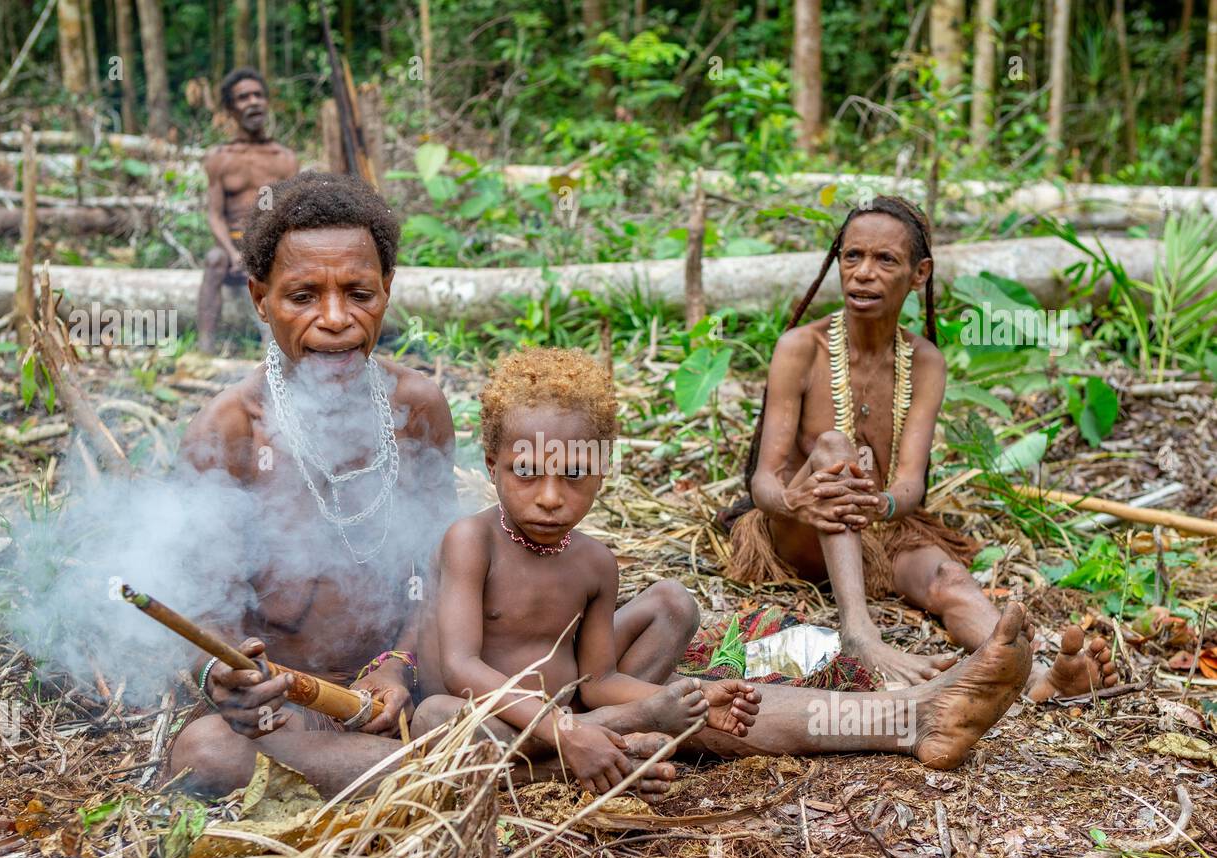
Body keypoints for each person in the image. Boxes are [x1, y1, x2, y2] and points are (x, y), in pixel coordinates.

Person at [723, 195, 1116, 701]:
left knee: (950, 578)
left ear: (918, 273)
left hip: (880, 533)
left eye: (885, 260)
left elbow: (910, 481)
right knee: (832, 445)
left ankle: (1039, 676)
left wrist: (882, 503)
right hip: (797, 526)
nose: (863, 273)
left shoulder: (924, 361)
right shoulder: (801, 347)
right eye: (852, 256)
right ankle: (859, 632)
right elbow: (764, 479)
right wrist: (796, 500)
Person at [169, 172, 456, 799]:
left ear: (387, 291)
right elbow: (200, 611)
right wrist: (224, 675)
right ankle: (448, 775)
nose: (335, 319)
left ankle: (393, 767)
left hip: (398, 696)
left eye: (359, 293)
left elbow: (440, 571)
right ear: (259, 298)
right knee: (206, 756)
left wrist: (398, 666)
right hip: (282, 711)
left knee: (446, 717)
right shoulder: (228, 430)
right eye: (303, 296)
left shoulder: (418, 409)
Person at [411, 349, 761, 802]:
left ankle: (595, 747)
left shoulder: (595, 563)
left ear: (601, 472)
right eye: (526, 472)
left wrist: (696, 699)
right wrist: (566, 730)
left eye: (574, 473)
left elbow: (597, 682)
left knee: (673, 602)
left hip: (570, 711)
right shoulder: (470, 541)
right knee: (434, 717)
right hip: (487, 718)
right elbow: (460, 668)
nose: (551, 497)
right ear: (492, 463)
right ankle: (595, 752)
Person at [196, 67, 299, 353]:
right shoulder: (220, 159)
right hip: (232, 247)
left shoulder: (284, 159)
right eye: (243, 98)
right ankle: (205, 350)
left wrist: (264, 251)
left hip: (271, 247)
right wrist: (233, 253)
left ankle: (277, 349)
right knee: (214, 258)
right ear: (230, 109)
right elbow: (214, 214)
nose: (253, 102)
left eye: (258, 95)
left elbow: (291, 213)